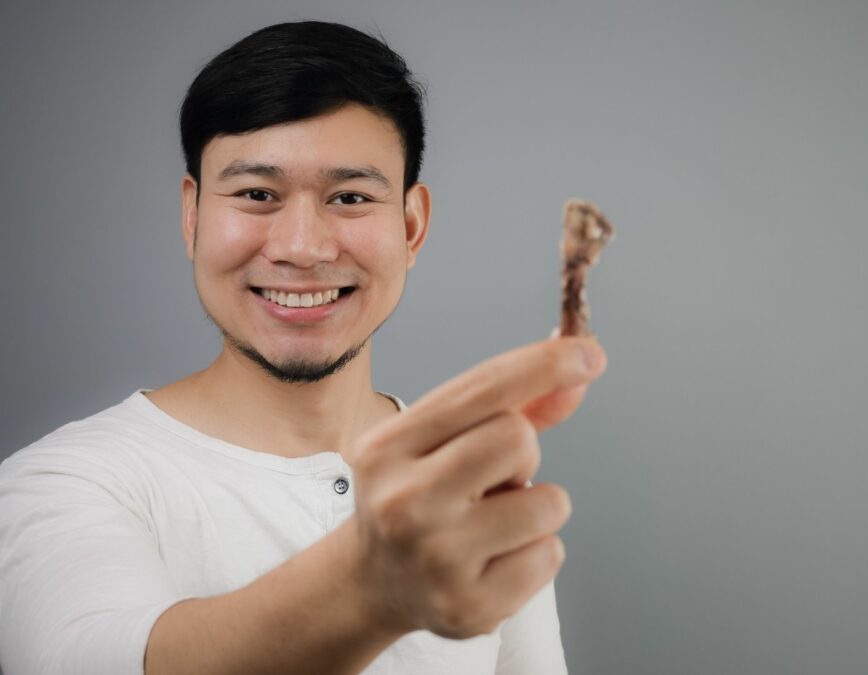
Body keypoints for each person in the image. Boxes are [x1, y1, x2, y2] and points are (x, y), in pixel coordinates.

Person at [0, 20, 606, 675]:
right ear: (192, 216)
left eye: (349, 197)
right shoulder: (62, 484)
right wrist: (371, 586)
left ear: (411, 226)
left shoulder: (472, 492)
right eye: (257, 194)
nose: (301, 246)